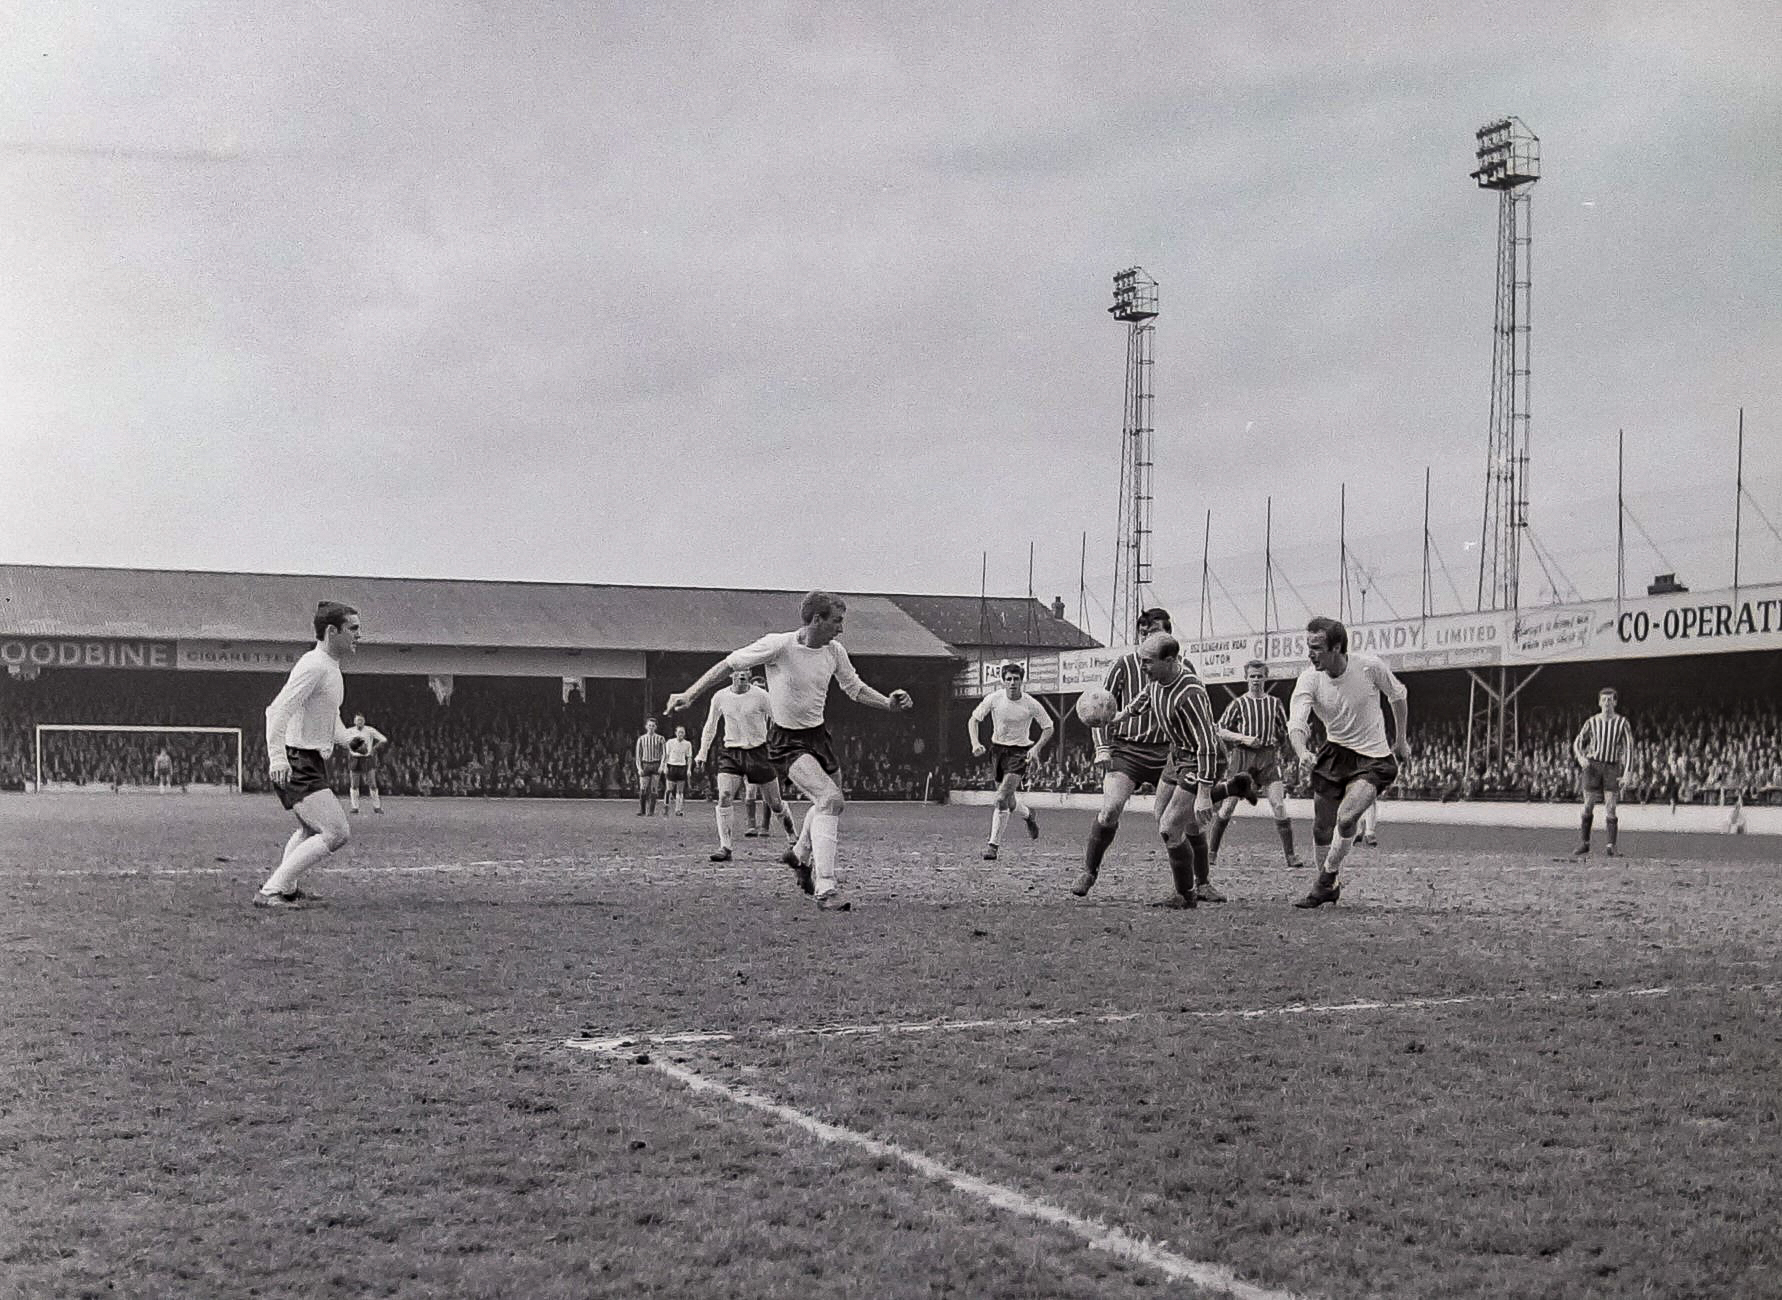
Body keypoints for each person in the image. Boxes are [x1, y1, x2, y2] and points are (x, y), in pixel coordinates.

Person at [665, 590, 914, 911]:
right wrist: (690, 693)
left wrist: (888, 704)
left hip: (818, 737)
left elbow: (854, 688)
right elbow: (728, 664)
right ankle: (825, 887)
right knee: (829, 800)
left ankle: (798, 856)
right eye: (836, 622)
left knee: (830, 804)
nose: (841, 629)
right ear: (816, 619)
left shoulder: (835, 651)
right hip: (787, 741)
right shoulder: (778, 645)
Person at [1073, 607, 1227, 899]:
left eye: (1155, 633)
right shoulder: (1135, 668)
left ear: (1168, 642)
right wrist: (1108, 736)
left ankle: (1198, 886)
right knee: (1112, 810)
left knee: (1181, 822)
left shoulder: (1185, 681)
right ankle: (1088, 871)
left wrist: (1205, 790)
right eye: (1144, 633)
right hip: (1130, 751)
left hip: (1179, 752)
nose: (1147, 638)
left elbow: (1206, 739)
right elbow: (1113, 702)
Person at [1109, 633, 1252, 907]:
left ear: (1170, 660)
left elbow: (1208, 744)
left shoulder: (1191, 693)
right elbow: (1143, 700)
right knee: (1167, 819)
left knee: (1170, 829)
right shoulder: (1156, 681)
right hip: (1178, 755)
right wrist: (1118, 716)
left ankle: (1186, 895)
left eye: (1148, 662)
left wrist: (1204, 792)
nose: (1142, 667)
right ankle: (1234, 788)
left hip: (1201, 758)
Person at [1287, 616, 1410, 909]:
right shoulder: (1310, 678)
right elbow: (1297, 722)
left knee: (1346, 818)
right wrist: (1302, 751)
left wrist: (1401, 739)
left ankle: (1326, 878)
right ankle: (1329, 885)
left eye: (1316, 647)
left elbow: (1398, 695)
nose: (1310, 654)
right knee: (1321, 828)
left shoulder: (1369, 667)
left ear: (1337, 647)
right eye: (1308, 646)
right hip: (1335, 753)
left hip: (1373, 758)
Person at [254, 601, 362, 908]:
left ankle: (286, 888)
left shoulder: (330, 667)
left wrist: (347, 740)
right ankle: (271, 891)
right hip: (296, 760)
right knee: (336, 831)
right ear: (331, 631)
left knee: (310, 828)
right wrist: (277, 758)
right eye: (353, 629)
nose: (359, 635)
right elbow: (277, 710)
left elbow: (330, 720)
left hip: (309, 759)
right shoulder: (314, 665)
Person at [1207, 660, 1305, 871]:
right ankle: (1211, 853)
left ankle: (1291, 855)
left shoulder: (1274, 703)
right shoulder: (1238, 704)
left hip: (1268, 757)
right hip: (1243, 756)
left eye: (1260, 676)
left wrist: (1281, 744)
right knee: (1229, 805)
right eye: (1252, 676)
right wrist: (1243, 738)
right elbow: (1220, 729)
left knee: (1278, 804)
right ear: (1246, 678)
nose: (1256, 680)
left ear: (1265, 678)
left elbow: (1283, 729)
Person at [697, 667, 798, 862]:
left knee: (775, 803)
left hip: (759, 752)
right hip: (731, 752)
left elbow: (780, 721)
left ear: (750, 675)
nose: (742, 674)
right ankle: (725, 847)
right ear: (731, 675)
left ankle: (793, 838)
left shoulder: (761, 696)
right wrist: (702, 753)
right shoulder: (720, 697)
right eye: (738, 671)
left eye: (746, 670)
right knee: (725, 795)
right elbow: (710, 726)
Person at [967, 662, 1054, 860]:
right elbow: (974, 719)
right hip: (997, 751)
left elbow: (1049, 727)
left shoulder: (1031, 703)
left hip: (1019, 753)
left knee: (1000, 798)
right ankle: (1028, 815)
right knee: (1009, 800)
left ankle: (993, 846)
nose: (1012, 683)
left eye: (1016, 679)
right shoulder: (994, 699)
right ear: (1003, 681)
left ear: (1022, 681)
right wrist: (975, 743)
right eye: (1009, 679)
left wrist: (1036, 748)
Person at [1572, 687, 1634, 857]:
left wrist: (1628, 772)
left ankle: (1611, 846)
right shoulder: (1592, 722)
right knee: (1588, 804)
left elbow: (1629, 748)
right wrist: (1581, 758)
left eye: (1610, 700)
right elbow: (1577, 743)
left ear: (1615, 702)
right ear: (1599, 702)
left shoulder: (1622, 723)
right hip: (1593, 765)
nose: (1607, 703)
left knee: (1611, 806)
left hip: (1612, 766)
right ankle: (1584, 843)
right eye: (1604, 700)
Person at [343, 713, 388, 814]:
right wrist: (351, 746)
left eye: (362, 720)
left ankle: (377, 807)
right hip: (354, 758)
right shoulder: (349, 731)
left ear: (364, 721)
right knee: (354, 784)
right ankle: (355, 807)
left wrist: (373, 749)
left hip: (367, 758)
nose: (360, 722)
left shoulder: (370, 730)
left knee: (372, 783)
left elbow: (383, 739)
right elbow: (341, 740)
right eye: (358, 720)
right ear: (354, 721)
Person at [634, 718, 666, 817]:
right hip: (645, 764)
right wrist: (639, 768)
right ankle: (642, 810)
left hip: (656, 764)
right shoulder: (641, 739)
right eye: (649, 725)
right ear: (646, 726)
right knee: (643, 788)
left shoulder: (660, 738)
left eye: (653, 725)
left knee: (654, 788)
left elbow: (664, 754)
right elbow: (638, 755)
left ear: (655, 727)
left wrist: (662, 766)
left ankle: (651, 810)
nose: (651, 727)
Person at [661, 725, 694, 816]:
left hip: (681, 767)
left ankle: (678, 809)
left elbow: (689, 757)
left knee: (680, 791)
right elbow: (666, 756)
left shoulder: (687, 744)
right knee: (669, 789)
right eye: (679, 732)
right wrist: (665, 766)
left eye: (682, 732)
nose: (680, 734)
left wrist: (689, 769)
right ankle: (666, 807)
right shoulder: (670, 742)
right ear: (676, 733)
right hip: (672, 766)